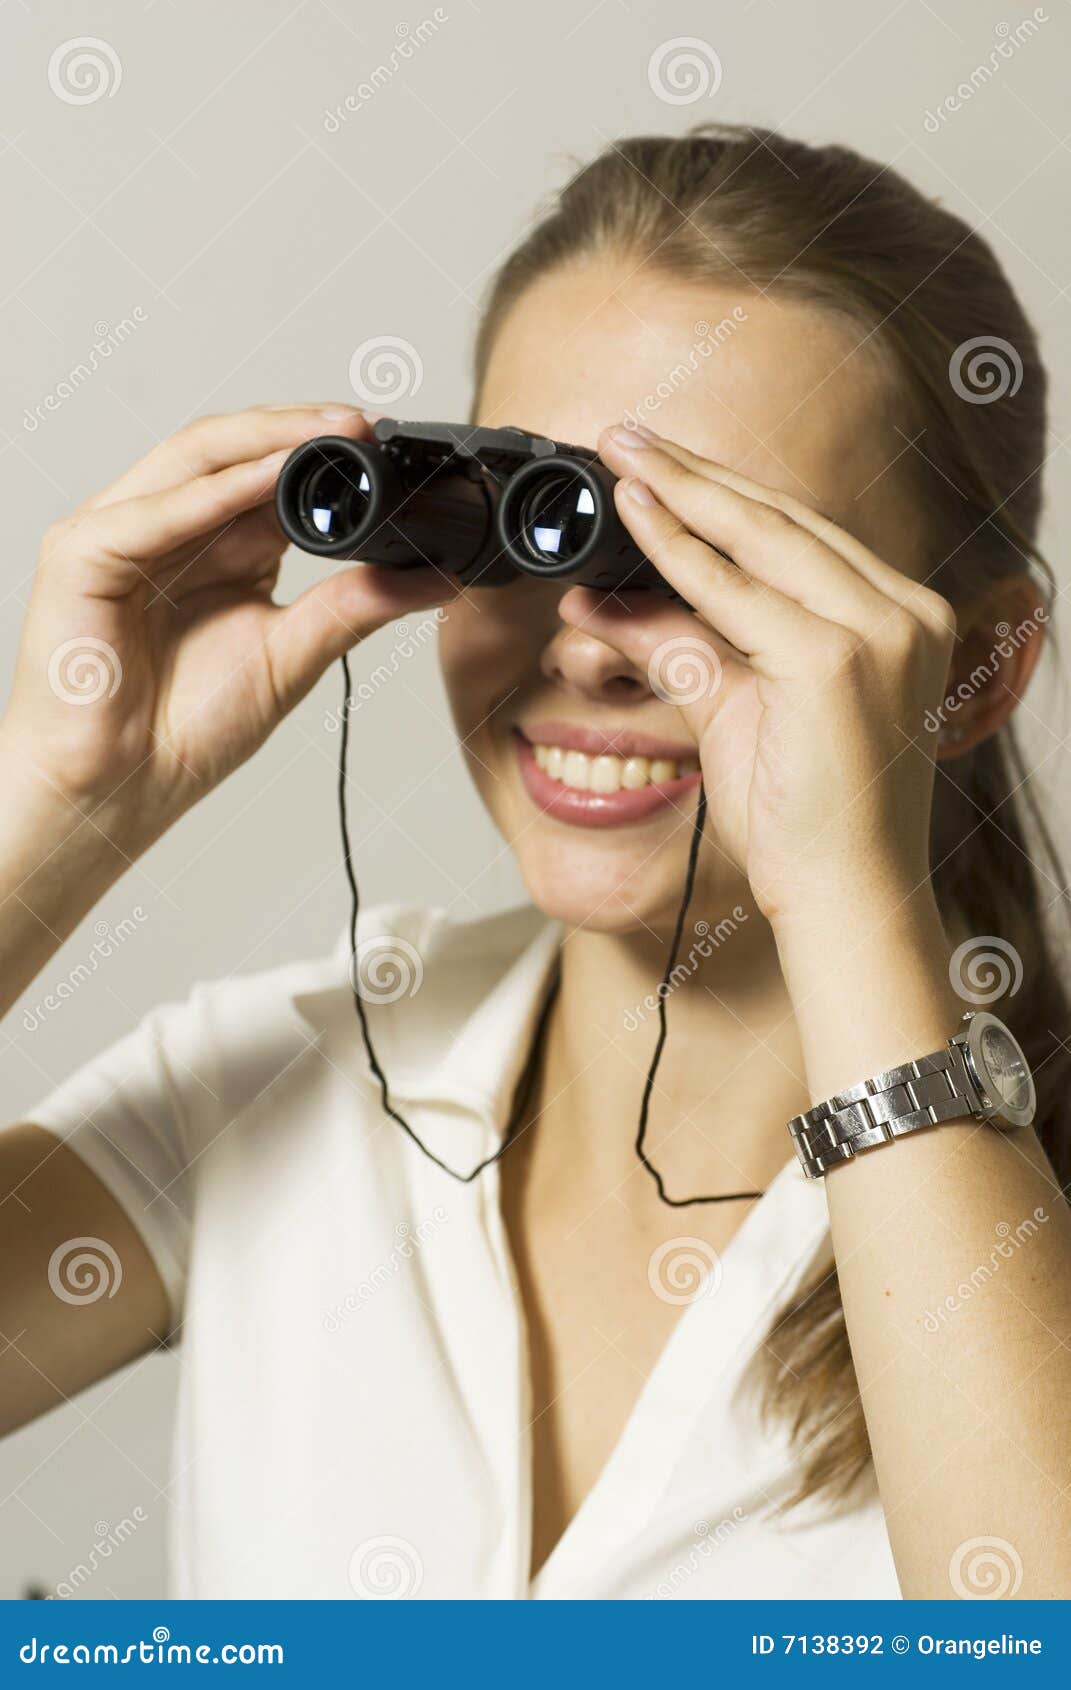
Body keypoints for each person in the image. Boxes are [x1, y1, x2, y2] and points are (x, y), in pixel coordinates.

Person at [2, 125, 1069, 1601]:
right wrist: (56, 811)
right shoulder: (286, 1084)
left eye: (710, 560)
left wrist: (846, 892)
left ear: (982, 661)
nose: (583, 638)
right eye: (532, 517)